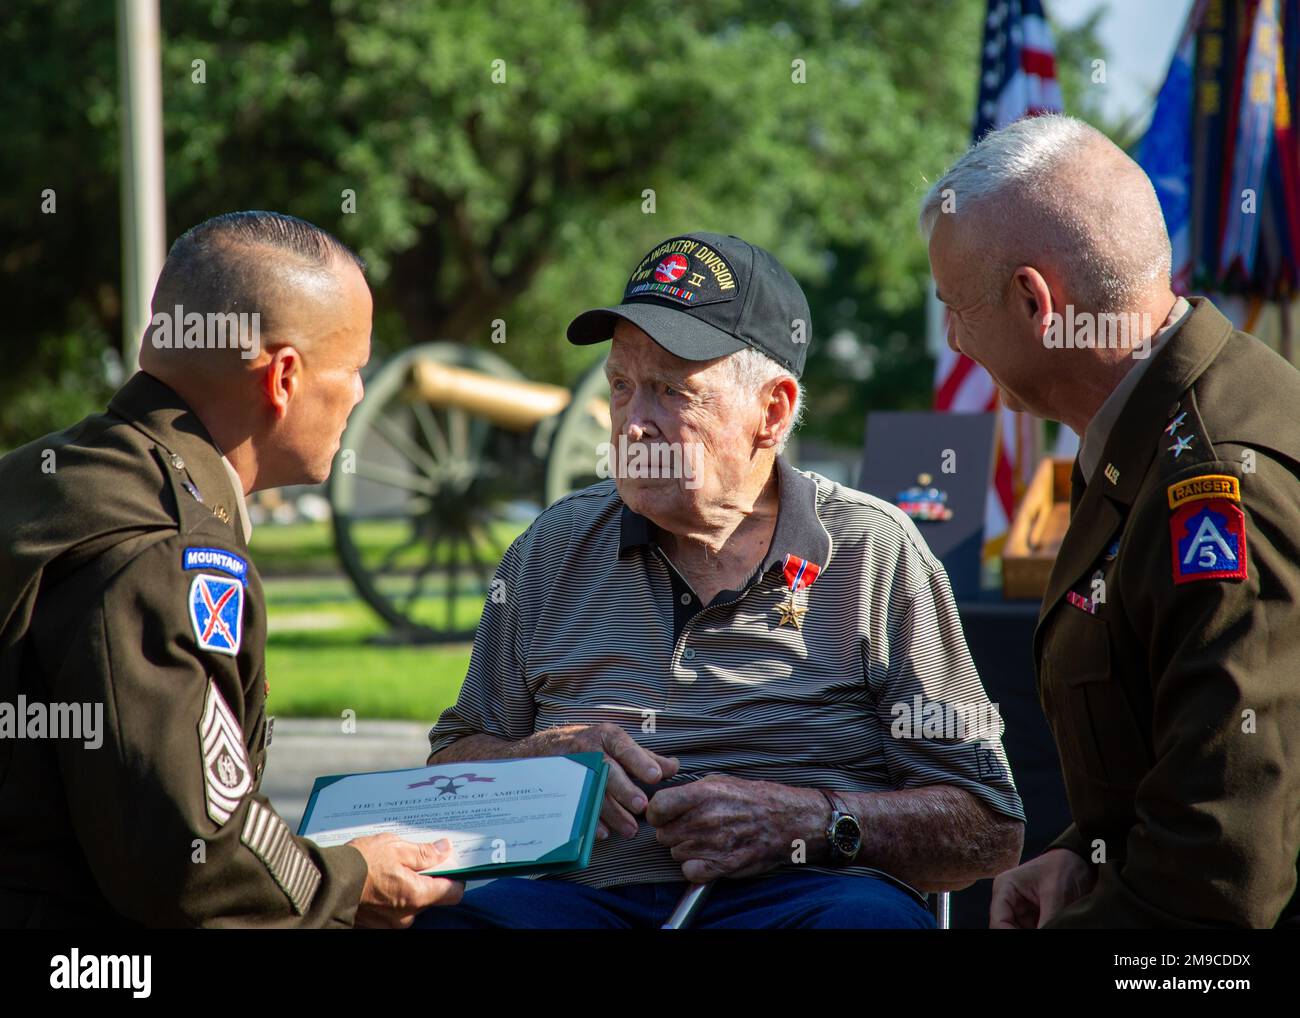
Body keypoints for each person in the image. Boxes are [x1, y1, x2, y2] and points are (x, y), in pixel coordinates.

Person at [415, 232, 1025, 929]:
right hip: (582, 903)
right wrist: (541, 756)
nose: (632, 425)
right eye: (622, 386)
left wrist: (810, 822)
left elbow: (989, 825)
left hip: (803, 900)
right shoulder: (552, 549)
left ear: (772, 411)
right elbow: (450, 771)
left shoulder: (873, 551)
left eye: (672, 392)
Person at [0, 211, 462, 927]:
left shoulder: (43, 476)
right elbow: (192, 862)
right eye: (355, 370)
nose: (362, 395)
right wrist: (351, 881)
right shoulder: (167, 550)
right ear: (283, 378)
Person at [920, 114, 1300, 928]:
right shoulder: (1158, 433)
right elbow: (1177, 753)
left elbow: (1222, 872)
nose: (954, 342)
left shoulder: (1211, 477)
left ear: (1034, 301)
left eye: (958, 307)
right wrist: (1083, 852)